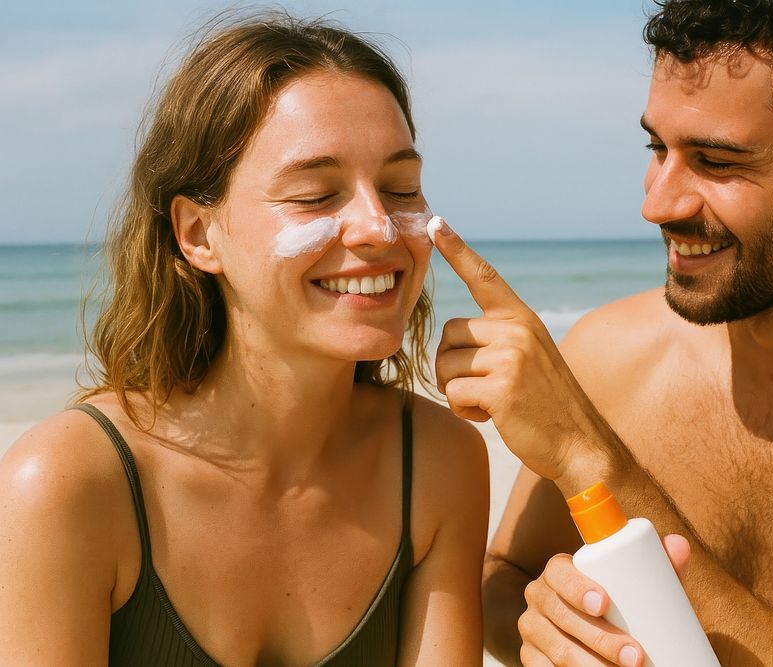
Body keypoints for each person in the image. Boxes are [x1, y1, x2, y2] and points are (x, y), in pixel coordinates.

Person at [430, 0, 773, 665]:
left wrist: (595, 458)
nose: (657, 203)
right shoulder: (610, 352)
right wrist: (543, 624)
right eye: (657, 148)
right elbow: (507, 577)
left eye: (717, 161)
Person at [0, 13, 488, 666]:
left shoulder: (439, 461)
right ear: (199, 234)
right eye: (317, 195)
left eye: (400, 188)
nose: (380, 227)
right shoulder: (65, 484)